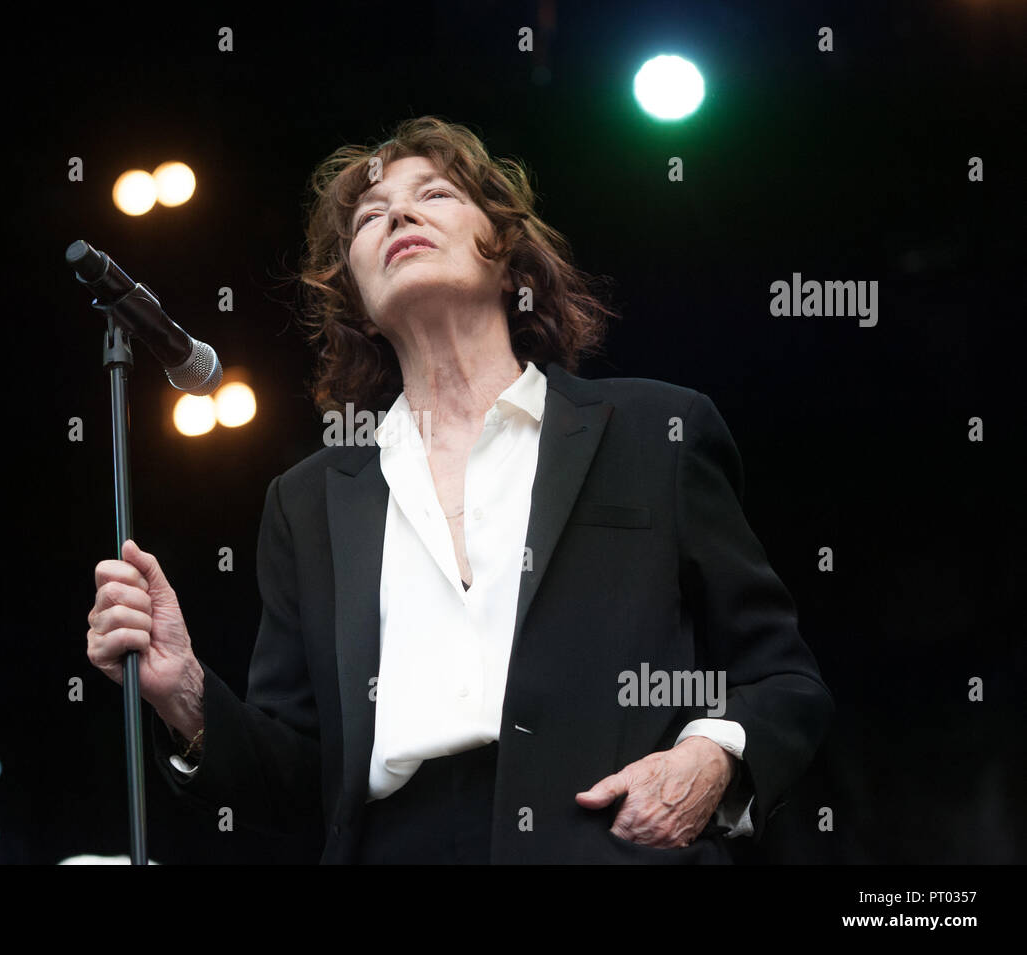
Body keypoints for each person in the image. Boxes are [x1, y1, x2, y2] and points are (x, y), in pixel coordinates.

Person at [85, 116, 834, 864]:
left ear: (508, 258)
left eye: (433, 194)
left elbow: (781, 677)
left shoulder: (656, 431)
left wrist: (710, 757)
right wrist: (184, 692)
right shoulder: (308, 501)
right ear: (356, 300)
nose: (397, 215)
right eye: (369, 217)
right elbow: (300, 779)